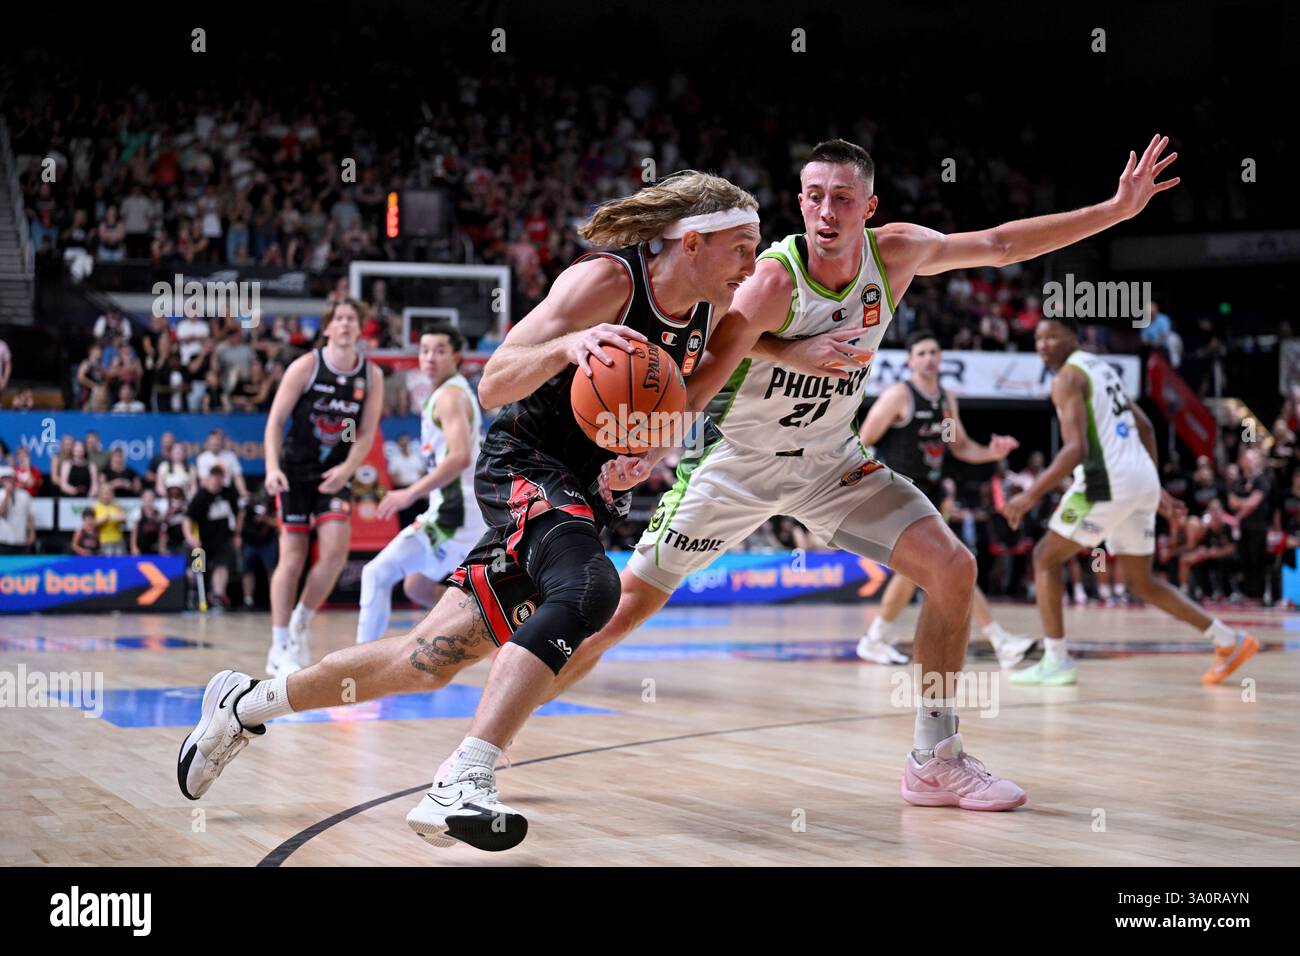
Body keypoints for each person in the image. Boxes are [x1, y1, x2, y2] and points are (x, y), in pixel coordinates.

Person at [177, 171, 760, 847]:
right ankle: (466, 775)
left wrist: (644, 453)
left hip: (585, 493)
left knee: (425, 660)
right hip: (525, 462)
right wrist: (567, 347)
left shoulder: (714, 313)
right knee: (592, 589)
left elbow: (668, 405)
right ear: (692, 243)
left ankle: (244, 705)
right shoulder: (606, 283)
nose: (752, 264)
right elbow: (493, 381)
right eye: (742, 247)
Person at [1000, 316, 1258, 686]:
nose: (1043, 345)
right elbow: (1147, 427)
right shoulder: (1100, 368)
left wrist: (1030, 494)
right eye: (1038, 339)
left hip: (1106, 482)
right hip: (1137, 480)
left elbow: (1075, 450)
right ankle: (1228, 640)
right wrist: (1153, 486)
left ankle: (1057, 659)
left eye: (1052, 336)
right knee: (1141, 582)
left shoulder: (1067, 379)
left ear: (1073, 336)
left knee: (1044, 557)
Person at [854, 330, 1031, 668]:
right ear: (910, 360)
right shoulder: (898, 396)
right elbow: (863, 441)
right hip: (901, 490)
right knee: (955, 561)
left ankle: (874, 639)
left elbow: (959, 447)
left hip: (931, 492)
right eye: (921, 353)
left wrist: (991, 453)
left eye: (934, 351)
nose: (929, 358)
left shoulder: (947, 400)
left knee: (924, 570)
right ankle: (1000, 640)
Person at [261, 297, 384, 675]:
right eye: (339, 319)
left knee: (334, 552)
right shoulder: (307, 366)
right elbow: (275, 420)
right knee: (293, 556)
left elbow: (365, 433)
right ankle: (279, 644)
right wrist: (270, 468)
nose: (345, 324)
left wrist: (348, 468)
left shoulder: (371, 376)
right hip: (295, 471)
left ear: (359, 328)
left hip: (335, 474)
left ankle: (301, 620)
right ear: (328, 327)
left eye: (352, 319)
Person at [356, 325, 486, 644]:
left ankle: (356, 674)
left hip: (454, 517)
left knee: (375, 574)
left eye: (440, 350)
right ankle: (493, 626)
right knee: (417, 587)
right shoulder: (447, 393)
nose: (430, 357)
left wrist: (408, 494)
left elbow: (459, 458)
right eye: (425, 350)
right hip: (462, 513)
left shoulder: (449, 396)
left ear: (456, 356)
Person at [184, 465, 242, 611]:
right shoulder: (201, 496)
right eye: (214, 476)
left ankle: (217, 596)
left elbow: (240, 513)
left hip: (222, 539)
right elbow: (187, 519)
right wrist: (190, 538)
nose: (217, 480)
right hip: (202, 541)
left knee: (221, 567)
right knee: (195, 569)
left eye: (220, 476)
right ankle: (195, 595)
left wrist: (237, 534)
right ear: (209, 478)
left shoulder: (228, 493)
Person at [0, 466, 36, 554]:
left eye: (9, 478)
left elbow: (30, 515)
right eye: (4, 479)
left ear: (14, 479)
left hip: (21, 539)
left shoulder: (25, 495)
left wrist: (32, 533)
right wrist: (7, 494)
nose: (7, 481)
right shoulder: (0, 494)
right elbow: (1, 513)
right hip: (4, 540)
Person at [92, 484, 128, 556]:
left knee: (120, 563)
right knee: (107, 564)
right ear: (100, 494)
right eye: (105, 493)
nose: (107, 495)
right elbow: (94, 523)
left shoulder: (117, 505)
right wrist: (108, 517)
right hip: (103, 541)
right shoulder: (95, 507)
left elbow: (124, 519)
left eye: (109, 493)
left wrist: (108, 517)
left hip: (118, 539)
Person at [130, 488, 165, 555]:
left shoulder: (158, 513)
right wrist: (134, 547)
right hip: (140, 548)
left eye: (151, 497)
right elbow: (134, 532)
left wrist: (162, 547)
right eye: (146, 497)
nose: (149, 499)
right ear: (142, 499)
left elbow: (162, 533)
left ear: (154, 499)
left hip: (155, 548)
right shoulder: (137, 513)